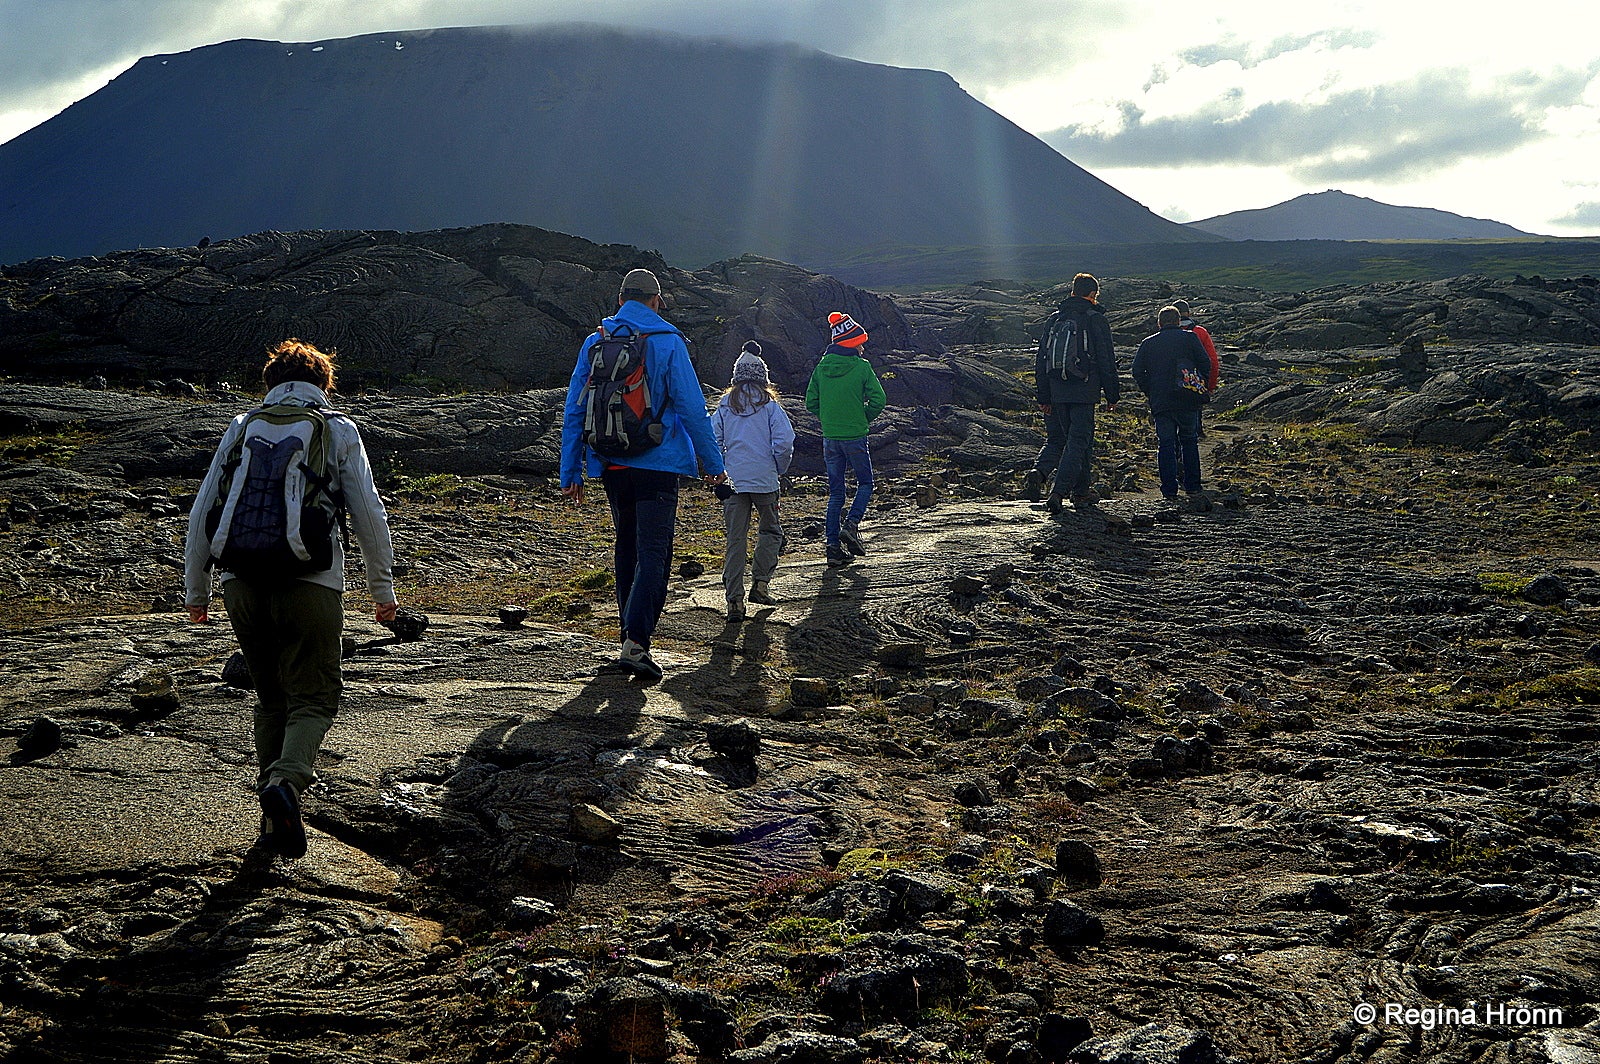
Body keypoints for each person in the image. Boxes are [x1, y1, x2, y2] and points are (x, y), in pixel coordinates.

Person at [184, 339, 398, 859]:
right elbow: (368, 515)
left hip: (240, 583)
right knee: (315, 697)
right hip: (312, 582)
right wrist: (382, 590)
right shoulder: (337, 429)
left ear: (271, 383)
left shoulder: (240, 427)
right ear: (325, 384)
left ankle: (273, 823)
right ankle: (286, 781)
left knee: (271, 698)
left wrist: (197, 591)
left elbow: (202, 509)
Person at [560, 268, 725, 681]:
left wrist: (571, 469)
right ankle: (636, 644)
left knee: (627, 548)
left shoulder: (596, 340)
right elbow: (691, 408)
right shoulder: (668, 342)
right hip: (658, 464)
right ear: (655, 301)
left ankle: (626, 639)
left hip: (611, 463)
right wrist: (715, 466)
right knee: (655, 552)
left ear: (621, 300)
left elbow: (575, 408)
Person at [711, 341, 796, 621]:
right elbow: (784, 442)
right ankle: (760, 583)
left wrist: (719, 470)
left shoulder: (725, 403)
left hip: (733, 481)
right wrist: (778, 468)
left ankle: (734, 601)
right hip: (765, 481)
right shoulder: (770, 406)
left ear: (736, 377)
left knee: (735, 541)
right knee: (771, 532)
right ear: (762, 377)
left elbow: (713, 440)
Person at [1025, 273, 1119, 513]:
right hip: (1084, 391)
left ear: (1072, 292)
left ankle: (1079, 491)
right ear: (1092, 295)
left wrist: (1044, 396)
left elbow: (1041, 359)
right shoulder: (1094, 318)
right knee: (1078, 441)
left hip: (1057, 389)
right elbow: (1106, 359)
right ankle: (1058, 492)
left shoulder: (1055, 318)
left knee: (1077, 441)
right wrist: (1112, 395)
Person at [805, 312, 886, 567]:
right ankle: (851, 524)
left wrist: (829, 418)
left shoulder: (820, 368)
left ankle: (832, 549)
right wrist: (862, 417)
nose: (862, 347)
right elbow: (879, 400)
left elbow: (810, 403)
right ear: (851, 343)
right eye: (860, 343)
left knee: (836, 493)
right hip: (855, 436)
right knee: (865, 483)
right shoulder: (862, 367)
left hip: (830, 438)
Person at [1131, 305, 1211, 499]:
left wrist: (1150, 390)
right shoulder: (1190, 338)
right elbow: (1205, 363)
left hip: (1161, 400)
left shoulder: (1148, 343)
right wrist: (1198, 383)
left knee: (1165, 443)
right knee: (1189, 441)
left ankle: (1169, 489)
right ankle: (1192, 485)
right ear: (1178, 322)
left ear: (1159, 323)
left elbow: (1136, 370)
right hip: (1187, 398)